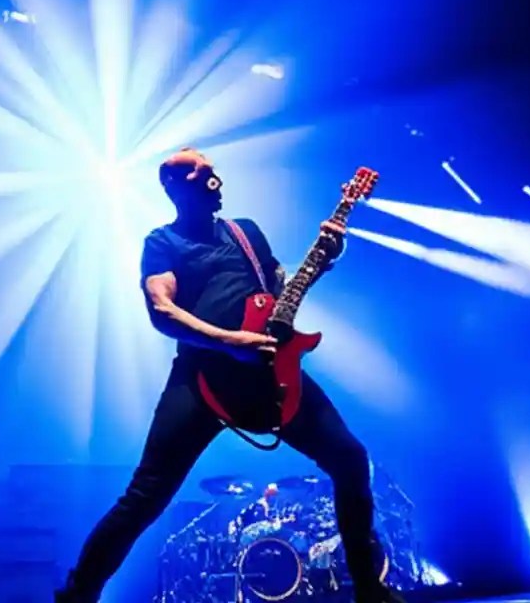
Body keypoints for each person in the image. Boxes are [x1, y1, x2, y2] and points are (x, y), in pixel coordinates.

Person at [55, 148, 404, 603]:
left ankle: (369, 591)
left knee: (351, 459)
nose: (213, 176)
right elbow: (161, 311)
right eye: (200, 171)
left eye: (212, 168)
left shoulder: (246, 232)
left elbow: (281, 290)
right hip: (200, 379)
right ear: (175, 187)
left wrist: (323, 260)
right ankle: (77, 595)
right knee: (146, 495)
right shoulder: (163, 242)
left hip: (268, 371)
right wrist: (225, 341)